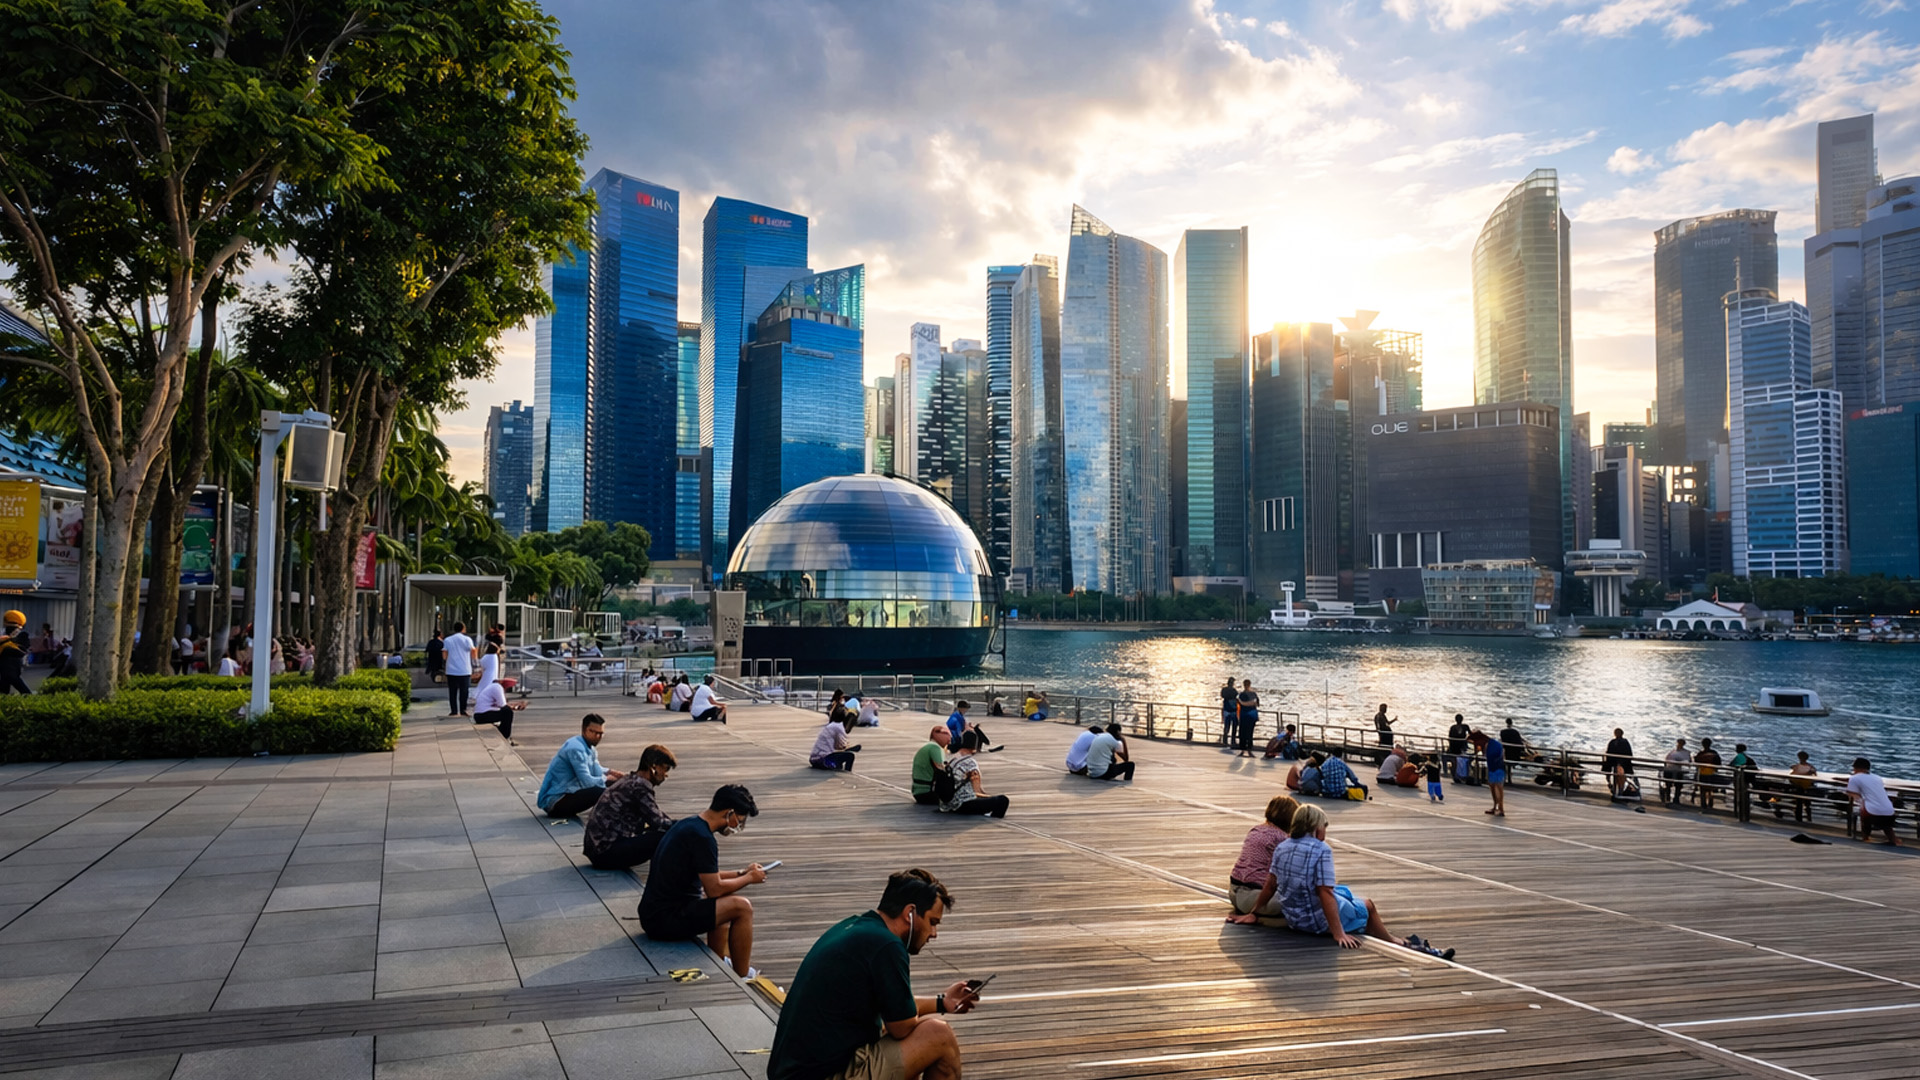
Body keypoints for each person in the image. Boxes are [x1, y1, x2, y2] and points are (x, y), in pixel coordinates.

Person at [767, 868, 975, 1080]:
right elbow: (902, 1027)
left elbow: (898, 1014)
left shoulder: (856, 927)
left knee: (899, 1037)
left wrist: (943, 1002)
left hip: (792, 1071)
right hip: (820, 1075)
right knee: (939, 1036)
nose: (934, 934)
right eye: (932, 922)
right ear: (910, 913)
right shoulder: (887, 946)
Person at [1227, 804, 1451, 959]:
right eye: (1324, 827)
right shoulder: (1322, 849)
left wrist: (1253, 912)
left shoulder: (1283, 846)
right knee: (1368, 906)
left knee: (1344, 893)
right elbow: (1324, 893)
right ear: (1316, 827)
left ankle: (1396, 938)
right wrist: (1338, 933)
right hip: (1315, 922)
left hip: (1295, 918)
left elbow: (1270, 885)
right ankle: (1399, 943)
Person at [639, 784, 763, 976]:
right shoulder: (703, 838)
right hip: (666, 920)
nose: (736, 826)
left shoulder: (690, 825)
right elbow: (714, 889)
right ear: (729, 813)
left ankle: (719, 961)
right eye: (738, 821)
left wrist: (741, 873)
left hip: (654, 914)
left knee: (725, 902)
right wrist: (749, 878)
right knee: (742, 907)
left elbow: (708, 874)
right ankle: (742, 974)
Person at [583, 746, 677, 870]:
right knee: (663, 836)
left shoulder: (630, 780)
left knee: (663, 830)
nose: (666, 775)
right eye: (665, 769)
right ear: (653, 768)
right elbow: (658, 822)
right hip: (605, 853)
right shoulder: (640, 788)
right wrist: (683, 826)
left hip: (596, 850)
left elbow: (654, 813)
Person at [536, 714, 625, 819]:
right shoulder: (575, 748)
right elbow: (587, 782)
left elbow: (596, 769)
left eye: (601, 733)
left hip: (570, 792)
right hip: (556, 801)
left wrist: (612, 772)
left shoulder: (589, 747)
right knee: (599, 791)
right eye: (595, 732)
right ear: (584, 730)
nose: (598, 737)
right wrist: (606, 779)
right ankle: (603, 816)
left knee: (618, 782)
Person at [1228, 795, 1299, 924]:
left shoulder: (1256, 830)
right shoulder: (1281, 838)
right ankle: (1263, 919)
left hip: (1234, 893)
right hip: (1255, 897)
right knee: (1304, 899)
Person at [940, 730, 1008, 817]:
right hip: (963, 804)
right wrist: (990, 797)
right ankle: (993, 818)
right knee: (1002, 800)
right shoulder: (971, 763)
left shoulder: (953, 759)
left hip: (948, 804)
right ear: (974, 746)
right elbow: (977, 791)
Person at [1846, 758, 1900, 846]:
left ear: (1857, 768)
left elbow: (1851, 792)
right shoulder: (1877, 778)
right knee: (1884, 818)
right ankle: (1892, 839)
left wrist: (1859, 800)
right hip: (1890, 811)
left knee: (1864, 807)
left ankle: (1865, 837)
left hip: (1871, 813)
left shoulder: (1854, 778)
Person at [471, 676, 527, 742]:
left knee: (506, 711)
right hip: (483, 715)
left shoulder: (493, 687)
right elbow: (503, 705)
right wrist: (516, 707)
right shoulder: (497, 688)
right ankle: (505, 734)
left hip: (479, 715)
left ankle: (502, 730)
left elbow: (503, 704)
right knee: (508, 712)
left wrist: (516, 705)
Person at [441, 621, 476, 717]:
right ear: (463, 629)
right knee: (464, 691)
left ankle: (454, 711)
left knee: (452, 691)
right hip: (465, 669)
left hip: (451, 669)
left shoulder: (448, 640)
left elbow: (444, 654)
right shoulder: (467, 639)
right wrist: (474, 661)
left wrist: (446, 661)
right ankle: (463, 710)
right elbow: (473, 650)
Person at [1470, 731, 1506, 817]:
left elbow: (1481, 753)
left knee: (1495, 785)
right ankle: (1498, 807)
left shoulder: (1485, 744)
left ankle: (1499, 808)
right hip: (1498, 765)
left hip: (1494, 766)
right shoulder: (1492, 742)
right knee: (1496, 785)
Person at [911, 727, 951, 805]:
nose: (949, 737)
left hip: (918, 792)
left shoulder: (928, 747)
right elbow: (942, 769)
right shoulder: (935, 748)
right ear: (936, 734)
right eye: (947, 734)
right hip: (928, 793)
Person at [0, 611, 30, 695]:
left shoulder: (19, 635)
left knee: (5, 690)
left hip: (8, 669)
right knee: (24, 691)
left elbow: (22, 650)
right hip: (10, 669)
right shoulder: (21, 635)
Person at [1788, 751, 1820, 822]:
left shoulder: (1802, 767)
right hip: (1800, 785)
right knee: (1800, 793)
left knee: (1800, 793)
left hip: (1801, 786)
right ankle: (1801, 812)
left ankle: (1799, 813)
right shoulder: (1804, 766)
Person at [1694, 737, 1724, 811]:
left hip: (1702, 773)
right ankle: (1710, 804)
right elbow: (1718, 764)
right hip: (1712, 773)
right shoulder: (1714, 753)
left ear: (1702, 744)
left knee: (1702, 790)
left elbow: (1696, 763)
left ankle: (1703, 804)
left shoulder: (1700, 753)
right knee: (1710, 789)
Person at [1603, 729, 1635, 798]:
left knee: (1611, 768)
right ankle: (1620, 788)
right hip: (1623, 763)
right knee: (1622, 771)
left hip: (1613, 762)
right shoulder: (1625, 742)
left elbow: (1608, 753)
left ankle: (1610, 782)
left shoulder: (1612, 742)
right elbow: (1629, 754)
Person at [1234, 680, 1260, 758]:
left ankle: (1242, 750)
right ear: (1250, 685)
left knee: (1242, 733)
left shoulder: (1241, 695)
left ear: (1244, 685)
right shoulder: (1254, 694)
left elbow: (1238, 705)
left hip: (1243, 716)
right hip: (1252, 716)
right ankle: (1249, 751)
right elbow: (1257, 704)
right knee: (1250, 733)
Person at [1446, 714, 1472, 781]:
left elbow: (1450, 737)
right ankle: (1464, 775)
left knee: (1454, 761)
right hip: (1462, 746)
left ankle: (1455, 776)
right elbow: (1471, 734)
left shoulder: (1452, 727)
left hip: (1454, 746)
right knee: (1464, 760)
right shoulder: (1465, 726)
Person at [1219, 676, 1239, 746]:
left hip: (1226, 709)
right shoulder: (1234, 691)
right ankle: (1233, 741)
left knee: (1226, 726)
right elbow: (1237, 698)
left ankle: (1225, 740)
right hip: (1233, 710)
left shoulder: (1224, 690)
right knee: (1234, 727)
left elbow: (1222, 696)